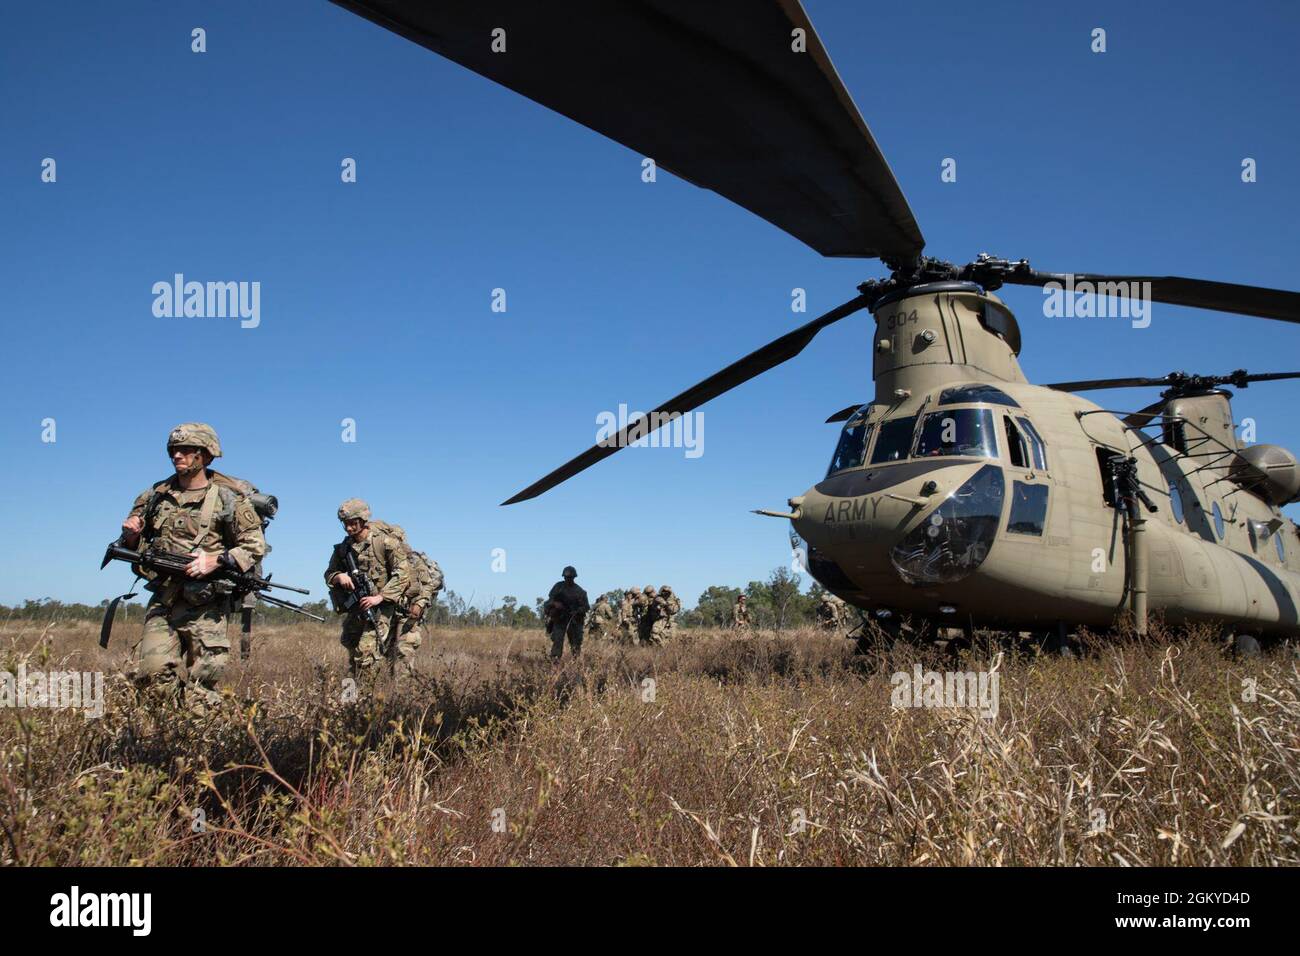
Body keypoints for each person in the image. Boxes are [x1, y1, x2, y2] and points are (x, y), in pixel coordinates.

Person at [119, 423, 267, 712]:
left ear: (206, 455)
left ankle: (201, 748)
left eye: (186, 450)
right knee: (153, 677)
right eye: (173, 450)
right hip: (164, 599)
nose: (177, 455)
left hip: (206, 605)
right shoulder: (153, 497)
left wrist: (217, 560)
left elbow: (253, 546)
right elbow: (131, 547)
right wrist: (131, 537)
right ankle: (163, 739)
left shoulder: (228, 498)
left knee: (203, 689)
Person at [325, 499, 410, 689]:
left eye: (352, 523)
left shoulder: (384, 542)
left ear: (363, 520)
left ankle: (366, 701)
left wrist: (379, 597)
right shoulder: (343, 548)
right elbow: (329, 573)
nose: (348, 528)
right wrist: (338, 577)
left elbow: (403, 573)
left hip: (380, 608)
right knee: (351, 649)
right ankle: (350, 699)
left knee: (365, 655)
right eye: (345, 524)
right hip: (356, 607)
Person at [545, 566, 589, 661]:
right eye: (566, 578)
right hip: (560, 619)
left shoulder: (580, 592)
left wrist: (577, 611)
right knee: (557, 640)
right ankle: (555, 661)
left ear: (574, 577)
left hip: (574, 620)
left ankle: (575, 662)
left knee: (575, 643)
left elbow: (586, 607)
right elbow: (549, 601)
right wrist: (555, 604)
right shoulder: (558, 587)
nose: (568, 580)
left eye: (570, 578)